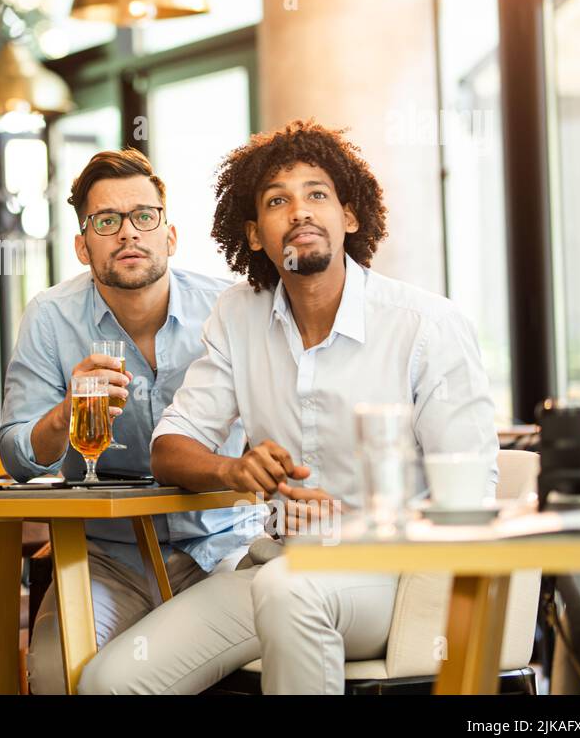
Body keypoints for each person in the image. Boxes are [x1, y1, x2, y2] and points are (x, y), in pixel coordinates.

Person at [80, 119, 498, 694]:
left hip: (398, 578)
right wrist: (232, 469)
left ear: (349, 217)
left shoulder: (426, 326)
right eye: (278, 200)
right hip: (277, 565)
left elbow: (470, 496)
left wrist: (362, 526)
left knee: (288, 591)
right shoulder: (238, 316)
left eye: (317, 194)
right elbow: (170, 446)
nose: (299, 211)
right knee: (111, 682)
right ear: (254, 233)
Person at [0, 148, 259, 695]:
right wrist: (66, 413)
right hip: (104, 558)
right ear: (81, 244)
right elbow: (16, 457)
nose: (127, 234)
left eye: (144, 216)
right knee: (53, 673)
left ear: (170, 235)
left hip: (223, 547)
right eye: (106, 222)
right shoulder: (50, 316)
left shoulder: (229, 309)